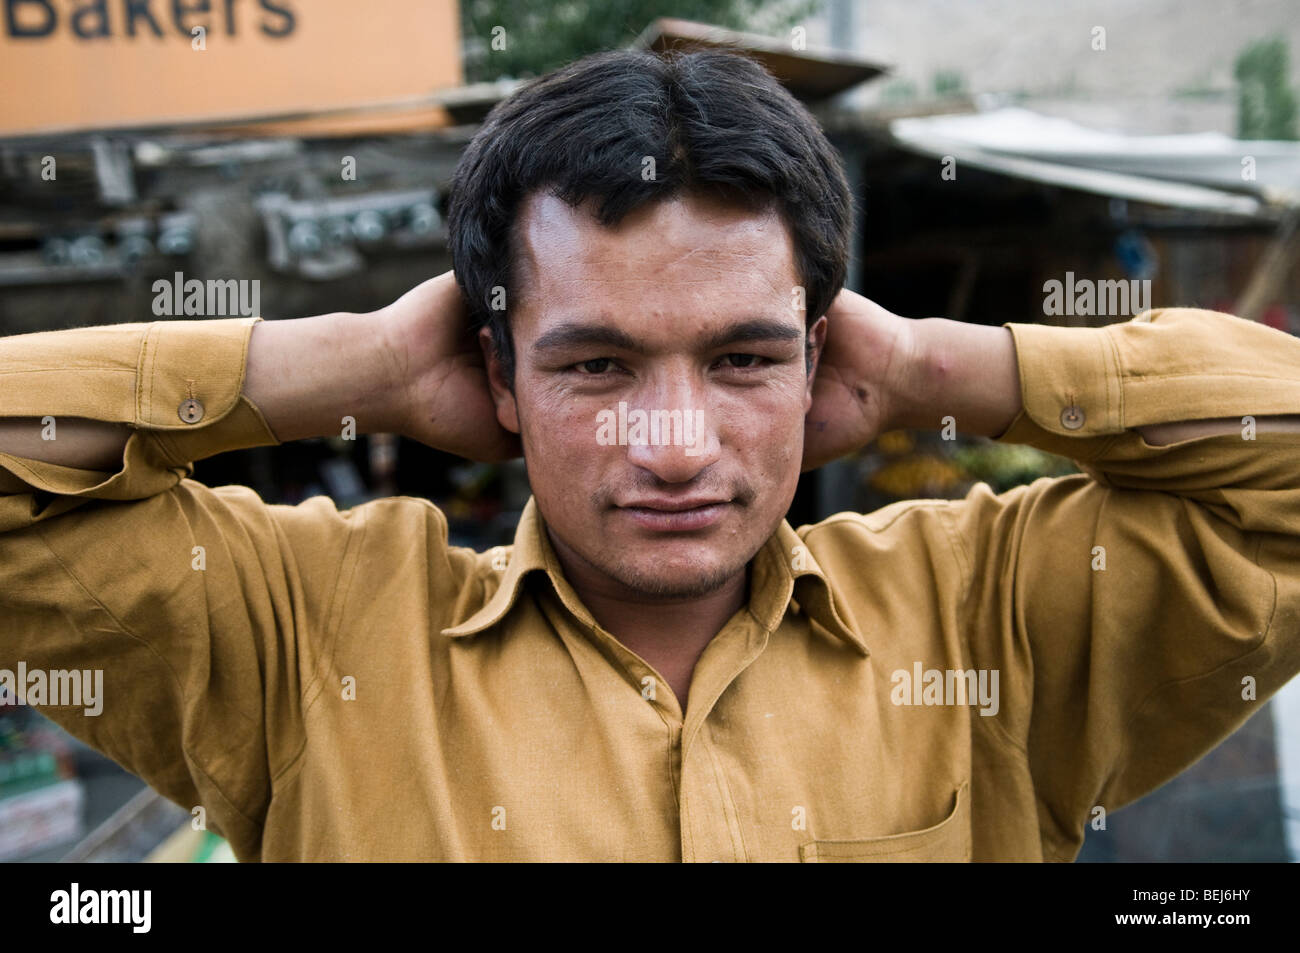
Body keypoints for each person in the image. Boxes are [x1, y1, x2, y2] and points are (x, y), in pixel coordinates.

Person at [2, 48, 1298, 862]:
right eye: (596, 362)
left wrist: (945, 370)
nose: (676, 444)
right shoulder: (304, 638)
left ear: (819, 357)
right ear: (497, 371)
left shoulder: (992, 613)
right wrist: (344, 365)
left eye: (743, 358)